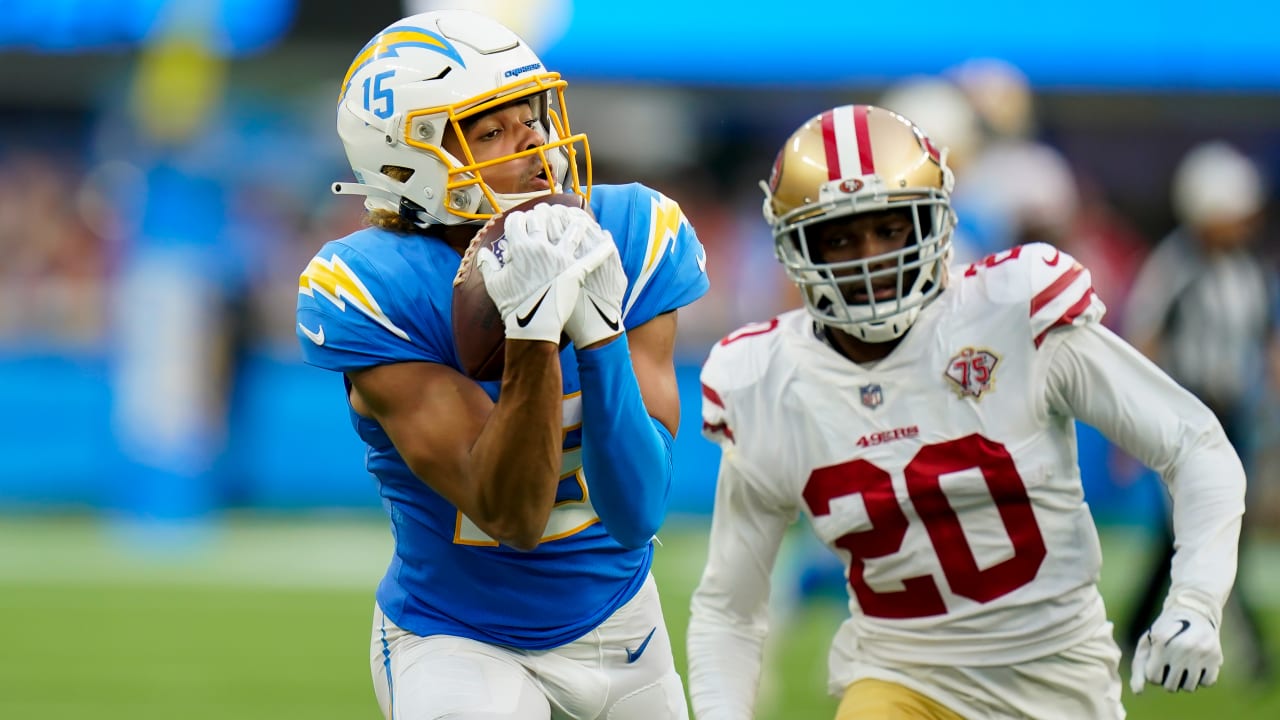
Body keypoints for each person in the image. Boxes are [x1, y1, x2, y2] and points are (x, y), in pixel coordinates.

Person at [686, 104, 1245, 719]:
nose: (870, 258)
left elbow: (1194, 444)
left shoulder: (1010, 314)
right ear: (796, 246)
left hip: (1057, 682)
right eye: (839, 237)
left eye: (890, 227)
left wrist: (1195, 599)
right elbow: (730, 606)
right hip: (900, 679)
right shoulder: (770, 380)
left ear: (933, 223)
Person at [295, 10, 708, 719]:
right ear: (408, 164)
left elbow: (637, 510)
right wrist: (533, 335)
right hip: (460, 637)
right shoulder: (373, 285)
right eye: (491, 131)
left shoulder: (635, 233)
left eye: (533, 115)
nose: (539, 144)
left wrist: (601, 333)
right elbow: (512, 514)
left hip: (622, 621)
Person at [1119, 139, 1276, 680]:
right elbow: (1143, 341)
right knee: (1194, 533)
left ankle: (1140, 636)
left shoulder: (1249, 270)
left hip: (1235, 420)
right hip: (1185, 420)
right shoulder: (1175, 265)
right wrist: (1136, 422)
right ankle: (1244, 649)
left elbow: (1265, 343)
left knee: (1211, 532)